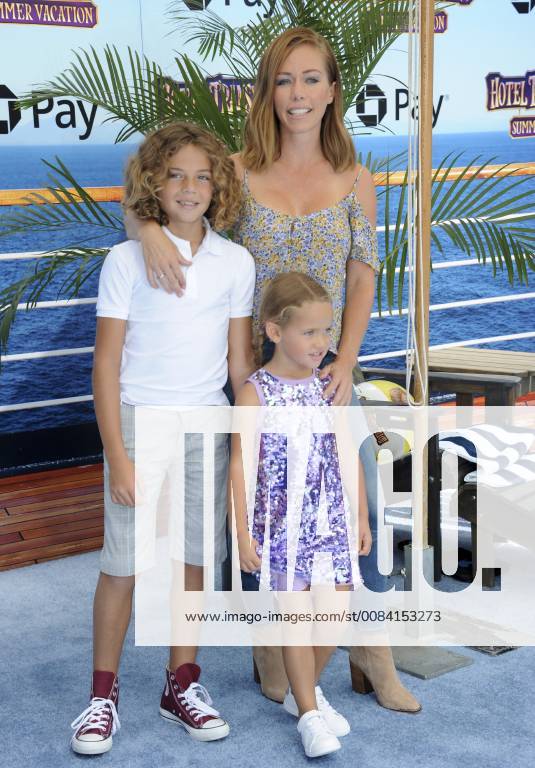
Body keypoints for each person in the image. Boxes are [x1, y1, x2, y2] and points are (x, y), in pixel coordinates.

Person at [130, 26, 421, 714]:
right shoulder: (234, 170)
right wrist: (145, 232)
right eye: (284, 79)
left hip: (326, 377)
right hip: (254, 382)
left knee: (360, 509)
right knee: (260, 517)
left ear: (332, 91)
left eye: (311, 78)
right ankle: (271, 644)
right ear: (267, 91)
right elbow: (159, 198)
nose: (297, 93)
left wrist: (346, 360)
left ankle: (372, 655)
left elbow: (361, 276)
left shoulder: (356, 179)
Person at [70, 122, 256, 755]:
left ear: (218, 186)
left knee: (194, 559)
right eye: (176, 174)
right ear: (153, 181)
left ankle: (182, 683)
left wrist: (253, 434)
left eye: (203, 176)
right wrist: (117, 454)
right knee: (123, 562)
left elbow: (238, 363)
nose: (190, 187)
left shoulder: (235, 263)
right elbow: (105, 365)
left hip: (206, 424)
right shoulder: (125, 260)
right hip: (139, 423)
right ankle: (102, 695)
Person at [232, 272, 372, 758]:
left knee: (333, 617)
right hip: (281, 525)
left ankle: (301, 691)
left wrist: (361, 516)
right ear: (275, 332)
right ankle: (309, 716)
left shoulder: (327, 387)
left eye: (326, 331)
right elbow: (240, 463)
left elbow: (346, 451)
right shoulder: (256, 393)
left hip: (331, 518)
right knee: (296, 617)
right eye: (309, 332)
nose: (321, 342)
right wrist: (242, 532)